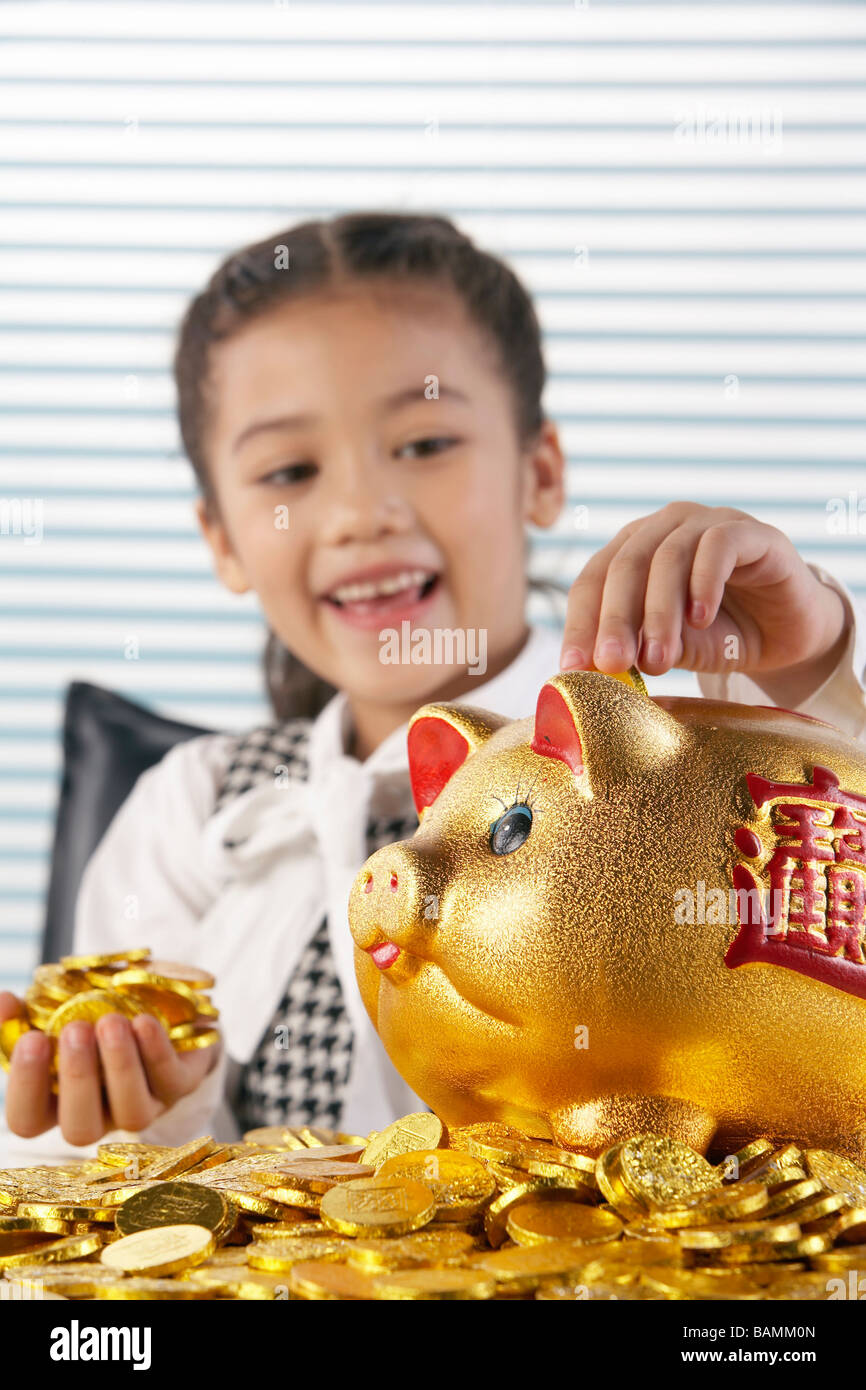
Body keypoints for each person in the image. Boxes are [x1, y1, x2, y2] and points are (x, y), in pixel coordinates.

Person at [2, 211, 864, 1150]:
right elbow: (78, 1164)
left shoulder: (697, 739)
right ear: (222, 540)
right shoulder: (191, 813)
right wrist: (139, 1108)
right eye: (290, 469)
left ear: (540, 472)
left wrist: (810, 667)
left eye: (423, 445)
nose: (362, 512)